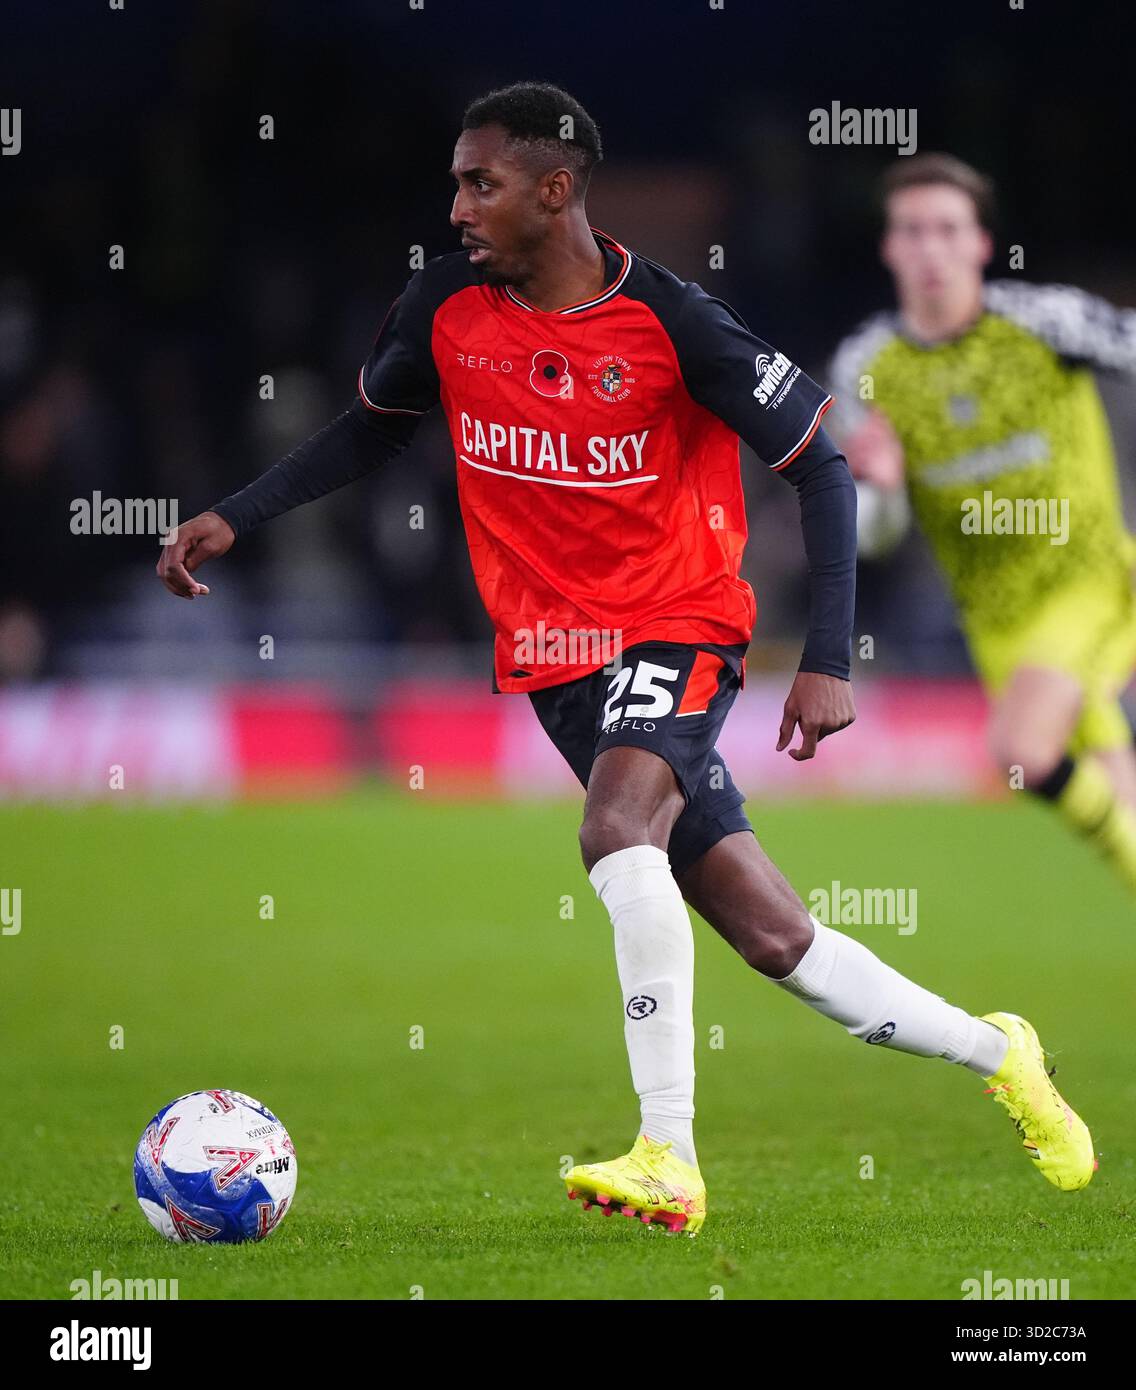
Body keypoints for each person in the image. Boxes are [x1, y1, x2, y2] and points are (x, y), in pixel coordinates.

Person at [158, 87, 1094, 1236]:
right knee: (774, 938)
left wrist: (828, 656)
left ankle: (667, 1151)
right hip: (552, 659)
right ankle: (998, 1050)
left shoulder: (674, 324)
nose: (456, 206)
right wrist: (237, 514)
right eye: (456, 180)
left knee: (614, 832)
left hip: (679, 622)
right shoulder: (444, 303)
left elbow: (824, 465)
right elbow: (372, 425)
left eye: (479, 183)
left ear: (555, 191)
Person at [834, 152, 1136, 893]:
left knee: (1020, 750)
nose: (930, 247)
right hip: (994, 619)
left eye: (947, 228)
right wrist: (885, 486)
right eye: (913, 230)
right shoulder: (865, 368)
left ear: (981, 243)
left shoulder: (1047, 321)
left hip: (1088, 581)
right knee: (1117, 792)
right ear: (889, 247)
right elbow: (873, 535)